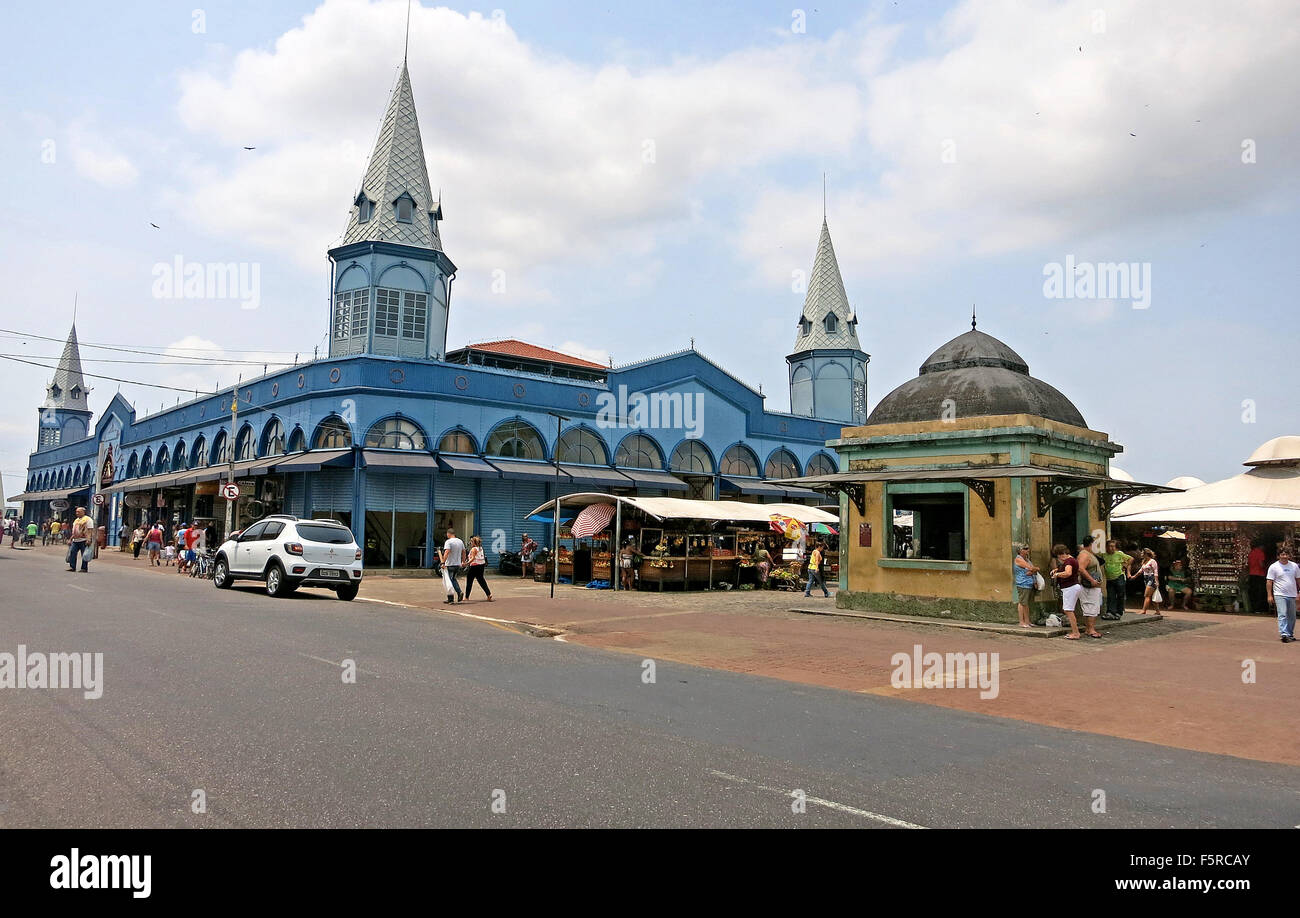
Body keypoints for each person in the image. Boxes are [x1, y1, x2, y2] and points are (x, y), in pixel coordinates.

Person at [1049, 543, 1083, 639]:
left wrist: (1057, 574)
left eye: (1058, 555)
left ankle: (1075, 633)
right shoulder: (1072, 560)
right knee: (1069, 609)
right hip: (1072, 587)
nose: (1059, 558)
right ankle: (1075, 631)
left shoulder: (1068, 561)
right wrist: (1057, 569)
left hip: (1070, 587)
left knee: (1068, 610)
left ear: (1060, 554)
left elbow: (1068, 572)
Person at [1266, 547, 1298, 643]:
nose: (1284, 556)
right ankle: (1284, 634)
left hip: (1292, 594)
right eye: (1282, 554)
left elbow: (1298, 579)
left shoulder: (1294, 566)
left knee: (1292, 616)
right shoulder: (1274, 567)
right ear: (1278, 556)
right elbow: (1269, 581)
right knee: (1282, 614)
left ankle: (1290, 634)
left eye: (1286, 554)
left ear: (1289, 555)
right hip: (1279, 594)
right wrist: (1269, 595)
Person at [1076, 536, 1104, 638]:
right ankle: (1091, 629)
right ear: (1091, 543)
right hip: (1089, 586)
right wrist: (1091, 580)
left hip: (1092, 586)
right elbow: (1081, 568)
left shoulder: (1087, 554)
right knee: (1091, 607)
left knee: (1092, 607)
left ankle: (1089, 629)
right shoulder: (1084, 555)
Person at [1100, 540, 1131, 620]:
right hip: (1109, 578)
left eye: (1113, 546)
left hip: (1119, 577)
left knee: (1120, 595)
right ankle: (1110, 612)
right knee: (1111, 595)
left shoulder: (1119, 554)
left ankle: (1119, 612)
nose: (1112, 548)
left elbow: (1131, 559)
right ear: (1106, 547)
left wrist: (1125, 566)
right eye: (1110, 546)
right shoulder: (1104, 555)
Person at [1013, 544, 1039, 628]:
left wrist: (1033, 571)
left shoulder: (1027, 559)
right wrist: (1033, 570)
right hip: (1022, 583)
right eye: (1026, 549)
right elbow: (1032, 569)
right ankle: (1021, 622)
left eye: (1028, 548)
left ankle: (1027, 621)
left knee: (1026, 603)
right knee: (1022, 602)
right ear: (1021, 551)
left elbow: (1032, 570)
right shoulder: (1018, 559)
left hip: (1028, 583)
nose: (1028, 550)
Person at [1129, 548, 1160, 613]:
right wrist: (1134, 576)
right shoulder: (1144, 561)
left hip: (1151, 578)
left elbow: (1155, 571)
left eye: (1142, 553)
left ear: (1146, 554)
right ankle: (1157, 611)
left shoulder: (1152, 561)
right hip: (1146, 578)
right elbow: (1141, 570)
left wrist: (1156, 581)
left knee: (1147, 595)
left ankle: (1144, 610)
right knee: (1151, 595)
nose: (1141, 554)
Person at [463, 535, 494, 601]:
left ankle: (466, 597)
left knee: (469, 581)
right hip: (481, 566)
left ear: (474, 543)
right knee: (481, 580)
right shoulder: (480, 548)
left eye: (471, 542)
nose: (470, 543)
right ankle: (488, 594)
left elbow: (473, 558)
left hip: (474, 566)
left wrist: (466, 563)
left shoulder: (474, 549)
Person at [439, 528, 466, 603]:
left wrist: (443, 562)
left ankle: (455, 595)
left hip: (450, 564)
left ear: (449, 533)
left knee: (449, 581)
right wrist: (463, 561)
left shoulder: (448, 542)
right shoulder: (460, 541)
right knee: (453, 579)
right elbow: (464, 552)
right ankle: (451, 597)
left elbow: (447, 552)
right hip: (457, 564)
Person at [67, 506, 95, 573]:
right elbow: (74, 531)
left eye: (78, 512)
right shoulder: (76, 520)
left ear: (83, 512)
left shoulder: (88, 520)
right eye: (76, 512)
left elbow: (90, 530)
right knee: (72, 553)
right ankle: (72, 567)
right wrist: (70, 539)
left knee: (84, 554)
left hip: (84, 540)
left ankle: (84, 568)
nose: (77, 513)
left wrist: (89, 539)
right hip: (75, 540)